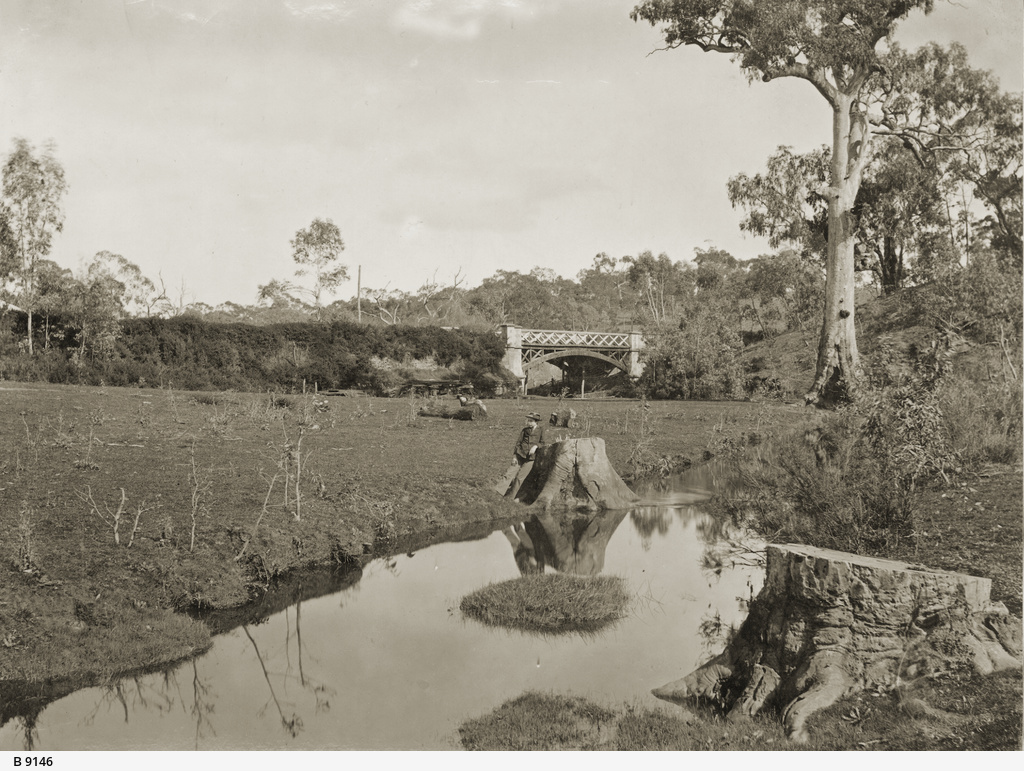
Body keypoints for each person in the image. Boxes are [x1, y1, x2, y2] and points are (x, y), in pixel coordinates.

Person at [493, 411, 547, 500]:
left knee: (519, 478)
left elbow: (543, 442)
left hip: (531, 458)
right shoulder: (524, 430)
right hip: (519, 455)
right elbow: (518, 444)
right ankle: (498, 493)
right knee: (509, 474)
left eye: (530, 421)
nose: (528, 422)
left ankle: (510, 497)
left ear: (536, 422)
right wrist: (514, 457)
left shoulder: (541, 430)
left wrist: (535, 446)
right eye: (528, 420)